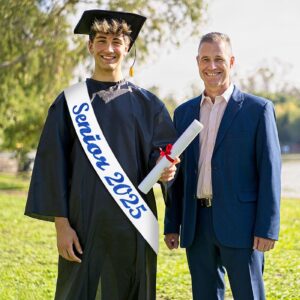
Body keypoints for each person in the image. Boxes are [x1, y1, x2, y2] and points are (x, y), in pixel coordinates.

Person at [25, 9, 178, 300]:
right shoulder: (70, 102)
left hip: (133, 223)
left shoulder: (149, 105)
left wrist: (167, 171)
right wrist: (61, 226)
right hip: (84, 225)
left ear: (128, 47)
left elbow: (162, 159)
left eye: (117, 41)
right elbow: (52, 166)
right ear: (90, 45)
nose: (109, 49)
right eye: (102, 40)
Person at [164, 32, 281, 300]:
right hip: (197, 225)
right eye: (205, 59)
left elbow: (270, 171)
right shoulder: (183, 113)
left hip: (243, 225)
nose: (212, 66)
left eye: (218, 59)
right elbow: (177, 174)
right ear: (197, 63)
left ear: (231, 61)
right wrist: (173, 224)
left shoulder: (258, 110)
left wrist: (267, 227)